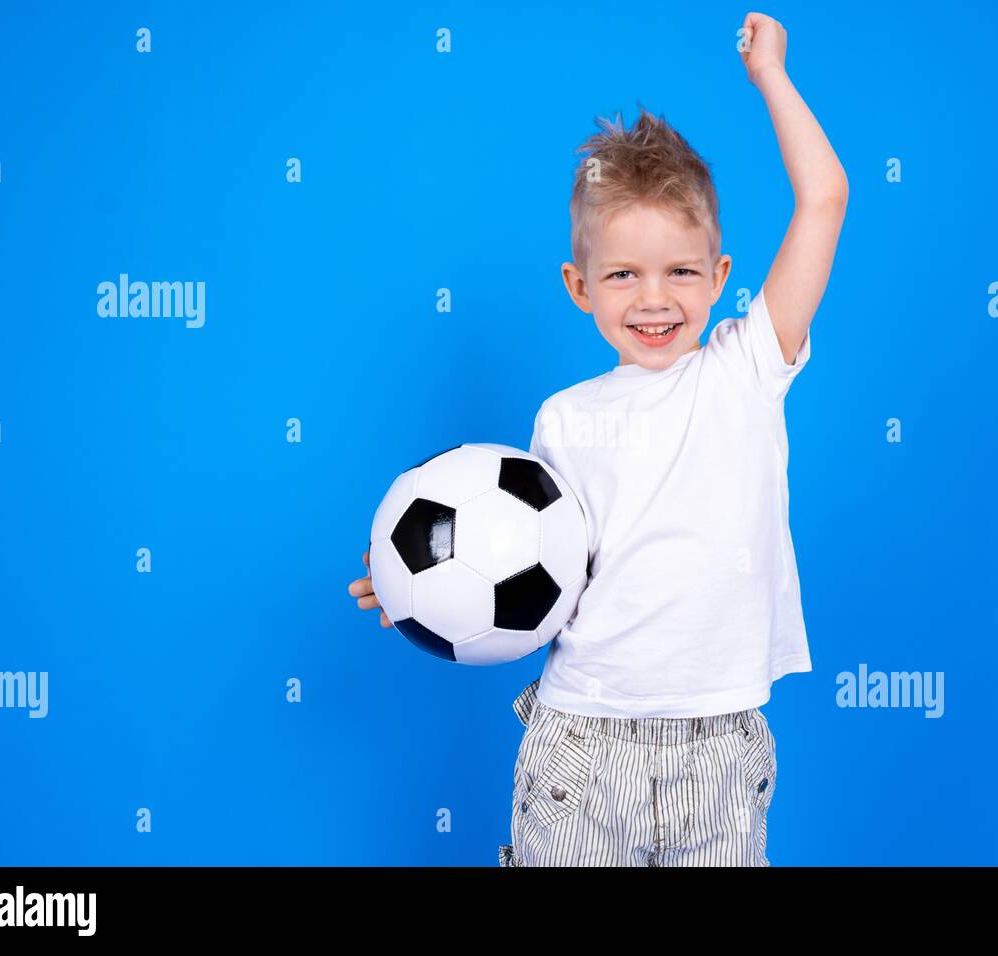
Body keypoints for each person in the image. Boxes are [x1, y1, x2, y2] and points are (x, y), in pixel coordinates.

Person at [349, 11, 847, 866]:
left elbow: (825, 198)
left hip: (718, 746)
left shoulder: (747, 366)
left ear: (721, 277)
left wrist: (772, 76)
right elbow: (533, 559)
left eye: (682, 272)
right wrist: (421, 584)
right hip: (584, 740)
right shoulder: (563, 420)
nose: (655, 300)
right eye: (623, 274)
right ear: (580, 286)